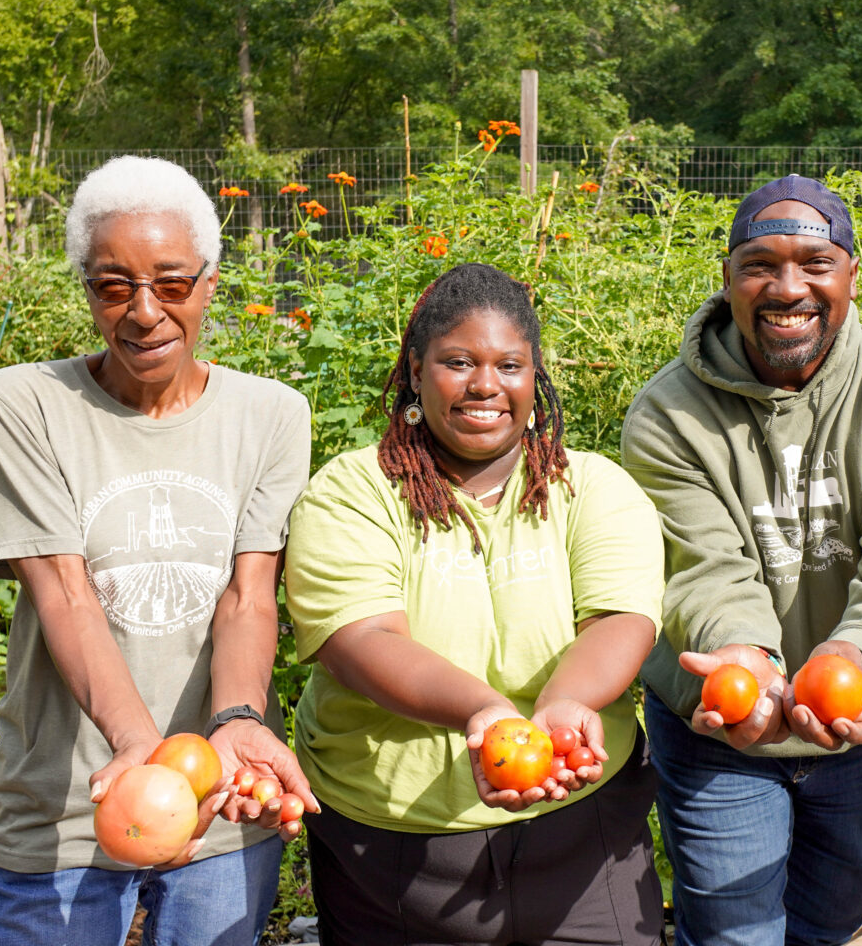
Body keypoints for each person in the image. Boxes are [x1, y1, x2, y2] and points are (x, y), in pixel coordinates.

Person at [0, 155, 316, 946]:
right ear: (87, 288)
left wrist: (235, 719)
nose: (145, 311)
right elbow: (64, 591)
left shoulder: (270, 415)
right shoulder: (24, 405)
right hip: (67, 816)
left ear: (210, 281)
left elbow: (248, 596)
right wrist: (136, 750)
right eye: (113, 284)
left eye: (171, 282)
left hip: (222, 805)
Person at [622, 174, 862, 946]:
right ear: (728, 278)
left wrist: (852, 657)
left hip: (850, 724)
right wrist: (747, 661)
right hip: (717, 723)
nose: (788, 287)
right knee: (734, 936)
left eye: (814, 262)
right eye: (759, 264)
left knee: (831, 925)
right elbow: (698, 566)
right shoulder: (667, 414)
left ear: (850, 274)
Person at [282, 262, 666, 946]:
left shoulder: (594, 488)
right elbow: (363, 639)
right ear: (415, 371)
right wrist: (484, 712)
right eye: (457, 362)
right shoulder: (352, 492)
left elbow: (620, 617)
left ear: (535, 376)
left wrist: (561, 708)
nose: (485, 385)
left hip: (583, 835)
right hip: (396, 847)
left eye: (509, 365)